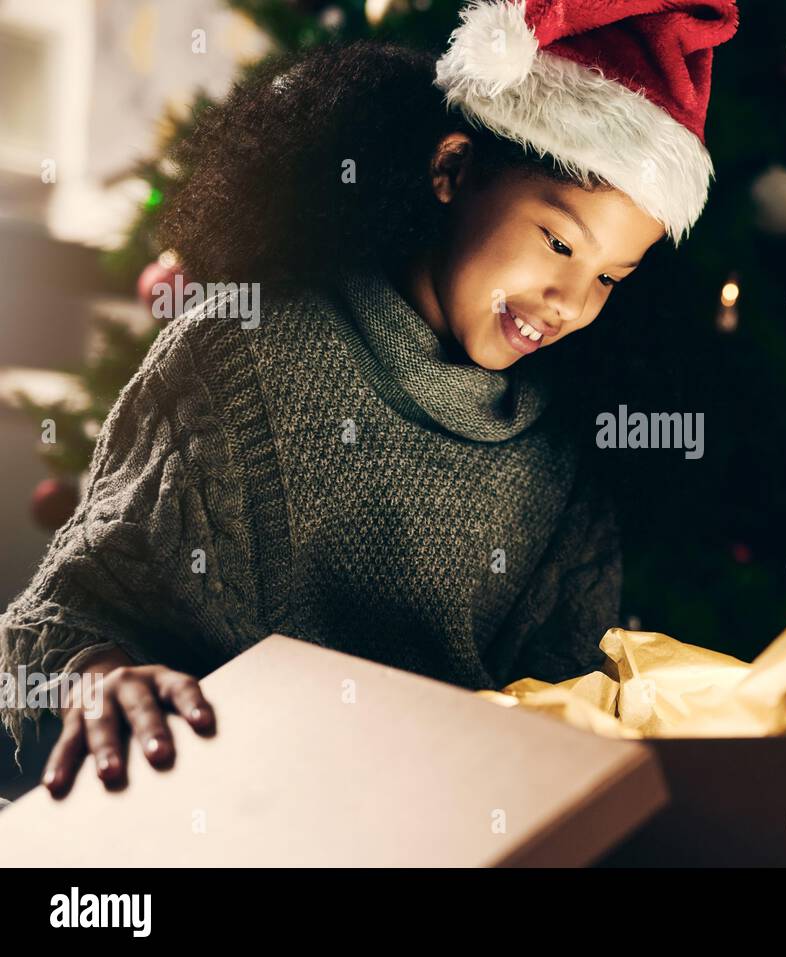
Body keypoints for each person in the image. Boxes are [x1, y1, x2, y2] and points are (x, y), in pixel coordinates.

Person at [0, 0, 740, 796]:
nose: (570, 300)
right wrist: (100, 676)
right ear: (451, 169)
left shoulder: (566, 460)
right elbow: (55, 624)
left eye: (607, 278)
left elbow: (560, 717)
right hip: (221, 817)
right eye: (559, 242)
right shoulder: (240, 354)